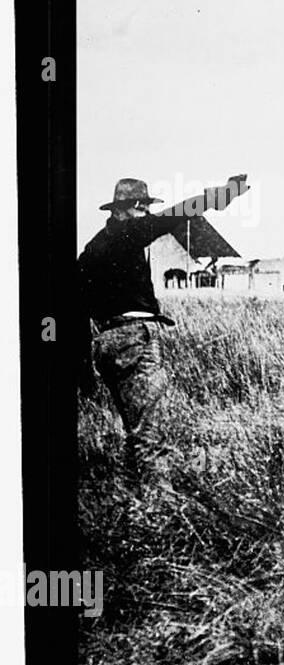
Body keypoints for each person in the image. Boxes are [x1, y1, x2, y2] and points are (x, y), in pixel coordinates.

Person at [78, 174, 249, 485]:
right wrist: (220, 196)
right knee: (152, 435)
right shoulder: (126, 235)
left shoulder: (93, 249)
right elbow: (173, 215)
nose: (146, 214)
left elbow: (71, 306)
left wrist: (83, 371)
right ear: (123, 209)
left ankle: (134, 503)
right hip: (135, 340)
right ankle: (159, 512)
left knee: (136, 431)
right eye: (141, 207)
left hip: (106, 344)